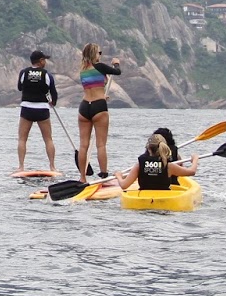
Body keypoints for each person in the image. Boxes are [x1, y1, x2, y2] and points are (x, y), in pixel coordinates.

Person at [75, 42, 122, 183]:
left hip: (84, 107)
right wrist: (116, 63)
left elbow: (92, 87)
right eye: (99, 53)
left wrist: (102, 95)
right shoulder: (100, 67)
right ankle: (104, 175)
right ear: (94, 54)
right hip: (98, 107)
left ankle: (82, 177)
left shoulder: (83, 70)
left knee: (83, 145)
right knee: (101, 144)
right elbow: (117, 72)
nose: (100, 55)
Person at [15, 50, 59, 175]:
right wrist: (53, 102)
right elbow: (53, 92)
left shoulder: (24, 73)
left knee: (22, 139)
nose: (45, 62)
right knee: (48, 139)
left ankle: (21, 167)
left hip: (27, 109)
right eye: (44, 59)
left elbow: (20, 87)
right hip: (42, 110)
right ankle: (52, 166)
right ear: (40, 61)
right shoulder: (46, 75)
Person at [117, 131, 198, 192]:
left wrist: (119, 176)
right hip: (164, 198)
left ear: (148, 148)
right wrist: (195, 159)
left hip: (143, 198)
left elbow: (124, 185)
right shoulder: (169, 166)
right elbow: (192, 172)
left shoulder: (139, 165)